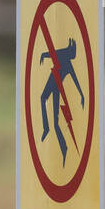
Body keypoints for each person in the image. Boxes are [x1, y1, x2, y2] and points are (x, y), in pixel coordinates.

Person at [39, 38, 85, 166]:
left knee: (52, 116)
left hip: (55, 86)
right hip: (55, 85)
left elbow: (76, 81)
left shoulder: (66, 60)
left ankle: (63, 147)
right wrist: (43, 55)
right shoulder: (65, 58)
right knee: (44, 102)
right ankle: (47, 129)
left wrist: (82, 95)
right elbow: (50, 52)